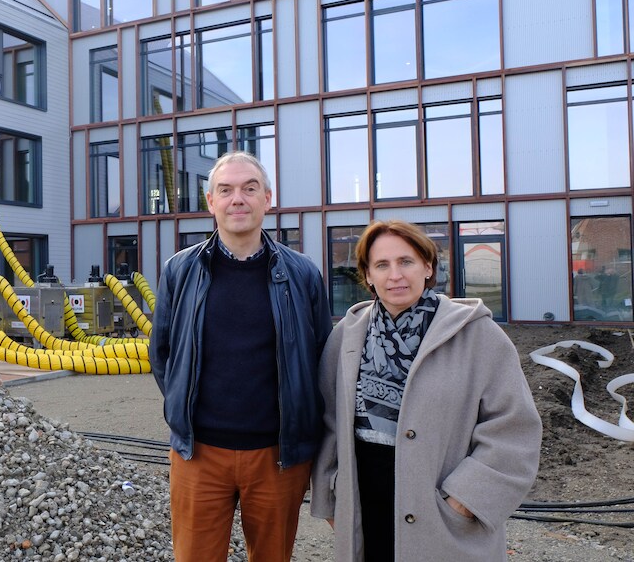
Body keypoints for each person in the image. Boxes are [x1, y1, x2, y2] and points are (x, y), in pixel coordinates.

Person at [310, 220, 541, 561]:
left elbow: (514, 429)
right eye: (382, 265)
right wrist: (331, 497)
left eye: (406, 262)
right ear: (368, 275)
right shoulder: (347, 335)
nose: (396, 275)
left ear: (427, 266)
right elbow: (328, 423)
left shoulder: (477, 336)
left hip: (441, 511)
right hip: (365, 503)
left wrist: (464, 500)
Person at [149, 151, 332, 562]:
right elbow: (162, 354)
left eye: (250, 189)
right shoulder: (179, 271)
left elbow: (322, 357)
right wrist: (184, 409)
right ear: (211, 202)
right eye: (226, 190)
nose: (238, 199)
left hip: (278, 457)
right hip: (198, 454)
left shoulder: (303, 275)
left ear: (267, 199)